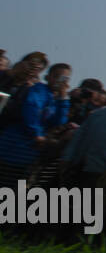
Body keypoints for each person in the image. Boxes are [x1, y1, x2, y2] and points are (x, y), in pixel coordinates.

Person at [0, 54, 70, 184]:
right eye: (57, 76)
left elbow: (58, 122)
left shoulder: (56, 99)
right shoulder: (38, 90)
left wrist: (63, 98)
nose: (60, 81)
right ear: (48, 77)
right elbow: (31, 110)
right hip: (11, 146)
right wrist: (37, 134)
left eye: (64, 78)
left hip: (27, 153)